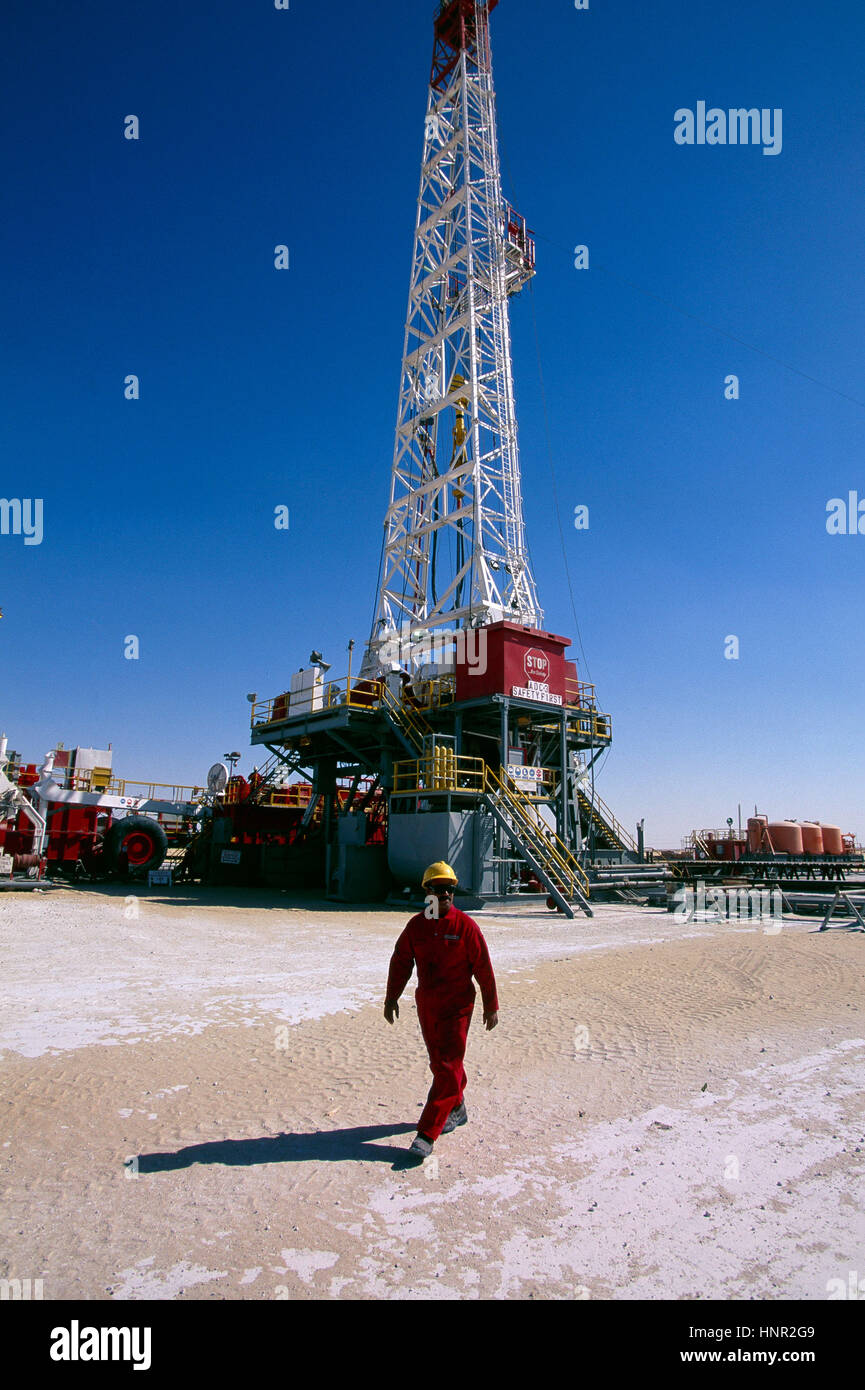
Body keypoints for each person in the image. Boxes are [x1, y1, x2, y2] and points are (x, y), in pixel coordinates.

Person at [384, 860, 499, 1159]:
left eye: (449, 889)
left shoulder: (465, 927)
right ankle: (457, 1107)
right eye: (438, 889)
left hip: (458, 1007)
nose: (444, 894)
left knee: (448, 1064)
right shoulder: (417, 926)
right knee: (441, 1064)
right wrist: (391, 998)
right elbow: (400, 963)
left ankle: (427, 1132)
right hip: (428, 1005)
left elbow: (484, 968)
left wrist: (491, 1006)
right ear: (427, 892)